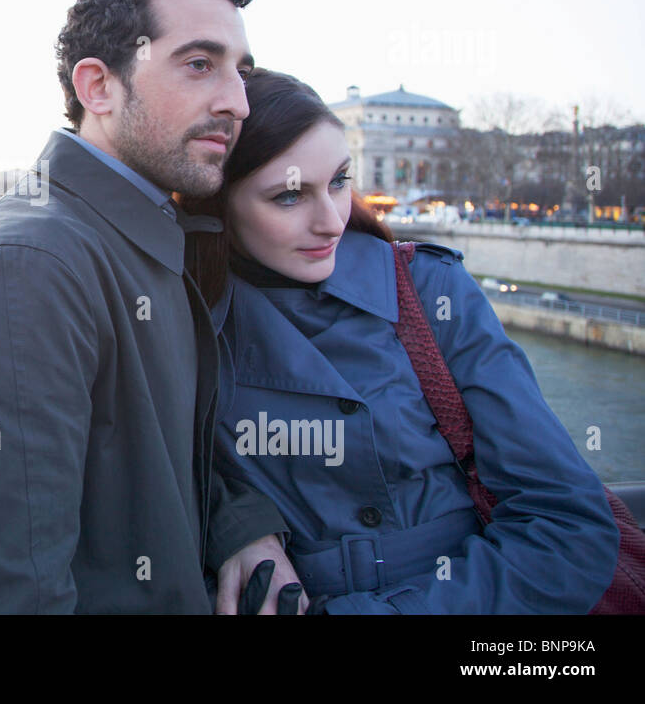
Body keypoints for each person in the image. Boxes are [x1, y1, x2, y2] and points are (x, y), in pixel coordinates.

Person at [0, 0, 305, 613]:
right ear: (99, 87)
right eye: (200, 65)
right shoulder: (25, 272)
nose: (239, 103)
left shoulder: (137, 239)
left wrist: (238, 525)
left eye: (240, 73)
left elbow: (153, 461)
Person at [179, 69, 620, 613]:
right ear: (219, 207)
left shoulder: (431, 290)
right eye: (290, 197)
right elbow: (159, 470)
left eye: (340, 180)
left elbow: (567, 525)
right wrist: (236, 525)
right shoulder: (183, 315)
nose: (331, 222)